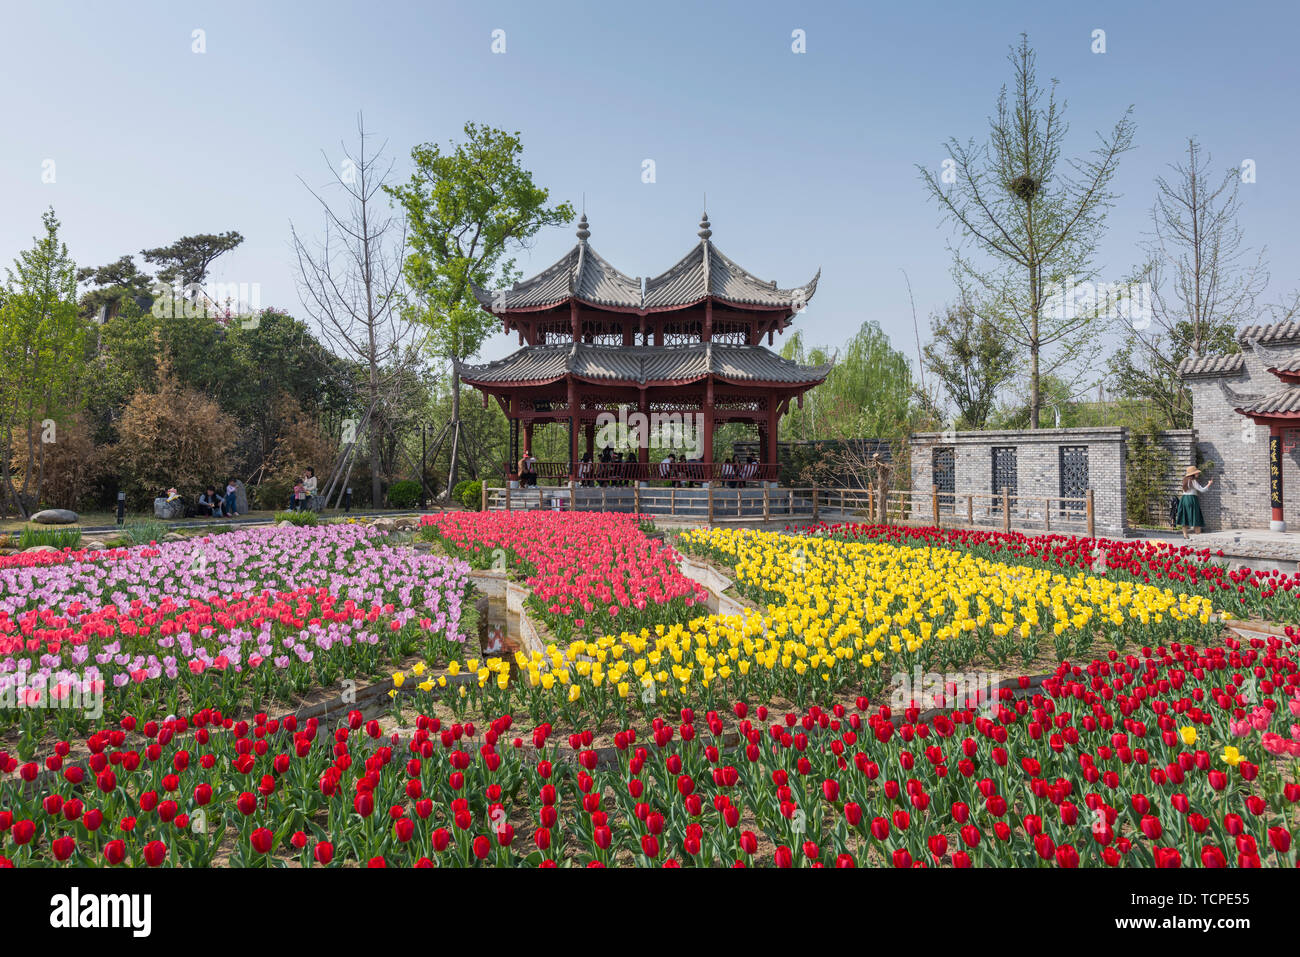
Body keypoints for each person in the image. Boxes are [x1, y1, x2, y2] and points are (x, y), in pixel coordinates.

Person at [1176, 465, 1212, 539]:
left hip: (1184, 499)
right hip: (1192, 499)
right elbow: (1202, 490)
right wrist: (1209, 484)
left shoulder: (1184, 480)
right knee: (1196, 516)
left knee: (1185, 517)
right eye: (1196, 473)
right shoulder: (1193, 481)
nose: (1198, 474)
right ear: (1193, 474)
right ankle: (1197, 535)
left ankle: (1185, 535)